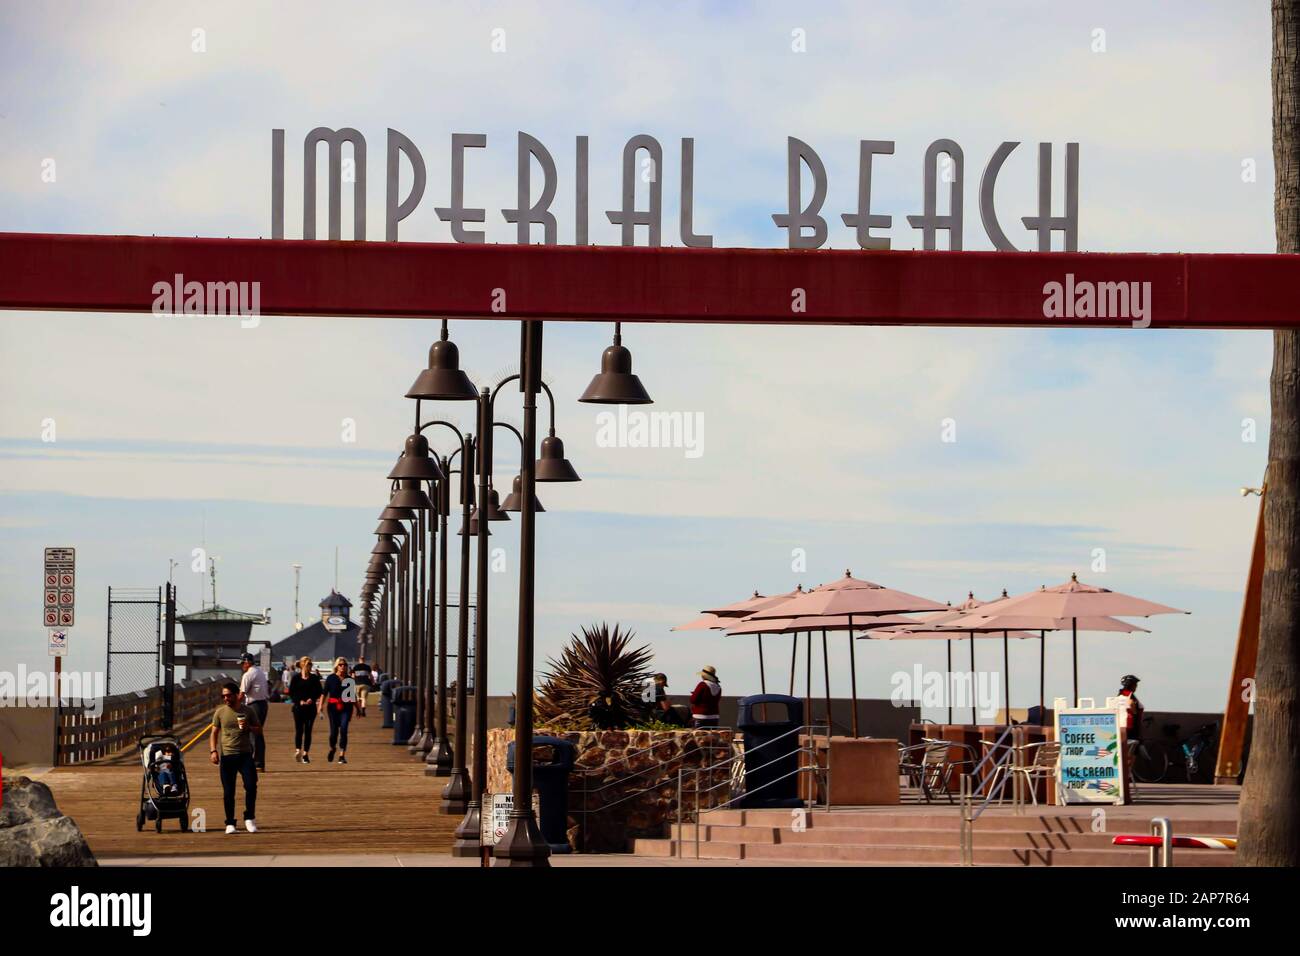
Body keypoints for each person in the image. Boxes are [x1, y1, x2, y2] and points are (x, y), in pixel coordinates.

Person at [209, 681, 261, 834]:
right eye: (223, 696)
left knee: (251, 786)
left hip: (245, 754)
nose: (226, 699)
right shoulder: (220, 712)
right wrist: (213, 751)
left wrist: (249, 728)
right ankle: (230, 823)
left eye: (228, 696)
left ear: (237, 694)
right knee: (228, 791)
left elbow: (259, 731)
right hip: (227, 755)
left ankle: (249, 818)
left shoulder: (249, 711)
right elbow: (214, 733)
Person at [239, 653, 271, 772]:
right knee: (257, 733)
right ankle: (257, 762)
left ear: (247, 662)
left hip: (254, 706)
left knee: (253, 734)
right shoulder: (259, 671)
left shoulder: (248, 675)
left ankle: (256, 763)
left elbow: (241, 694)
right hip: (263, 704)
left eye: (242, 663)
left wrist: (232, 706)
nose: (242, 666)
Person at [288, 655, 323, 763]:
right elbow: (291, 693)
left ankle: (305, 754)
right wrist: (299, 701)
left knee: (308, 731)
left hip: (310, 709)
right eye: (308, 665)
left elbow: (319, 691)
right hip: (298, 708)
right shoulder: (296, 678)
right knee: (299, 730)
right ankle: (298, 750)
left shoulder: (314, 678)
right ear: (302, 665)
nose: (309, 667)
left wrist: (311, 699)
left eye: (310, 665)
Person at [323, 657, 355, 764]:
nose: (343, 667)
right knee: (333, 732)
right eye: (341, 665)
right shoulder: (331, 678)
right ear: (337, 666)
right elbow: (324, 693)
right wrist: (320, 707)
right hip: (333, 708)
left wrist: (359, 709)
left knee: (344, 730)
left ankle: (342, 755)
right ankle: (332, 748)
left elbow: (352, 696)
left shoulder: (350, 679)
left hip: (346, 708)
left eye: (345, 665)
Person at [1118, 674, 1144, 804]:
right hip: (1131, 730)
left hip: (1124, 730)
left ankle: (1126, 774)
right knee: (1131, 754)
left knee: (1129, 754)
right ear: (1132, 685)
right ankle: (1126, 775)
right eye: (1135, 684)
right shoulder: (1129, 696)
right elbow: (1132, 709)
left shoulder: (1120, 695)